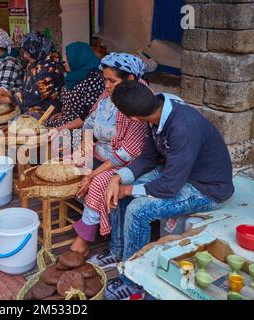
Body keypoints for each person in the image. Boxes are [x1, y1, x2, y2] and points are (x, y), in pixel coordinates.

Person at [100, 80, 234, 264]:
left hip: (207, 189)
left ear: (134, 119)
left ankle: (131, 276)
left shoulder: (182, 127)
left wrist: (129, 190)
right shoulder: (157, 110)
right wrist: (117, 178)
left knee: (138, 210)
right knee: (117, 188)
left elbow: (170, 187)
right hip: (180, 175)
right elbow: (148, 158)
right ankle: (117, 252)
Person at [67, 53, 150, 258]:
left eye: (112, 80)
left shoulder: (139, 101)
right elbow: (88, 122)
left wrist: (93, 174)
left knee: (96, 184)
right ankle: (90, 217)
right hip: (101, 153)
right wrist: (84, 146)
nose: (106, 85)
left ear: (130, 79)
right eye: (105, 79)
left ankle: (84, 239)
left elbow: (128, 152)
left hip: (125, 163)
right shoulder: (107, 96)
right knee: (68, 163)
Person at [0, 31, 65, 117]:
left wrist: (8, 99)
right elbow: (26, 88)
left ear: (36, 49)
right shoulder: (33, 63)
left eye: (27, 52)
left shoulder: (51, 68)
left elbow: (36, 94)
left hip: (47, 112)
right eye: (24, 52)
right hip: (29, 109)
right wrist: (9, 92)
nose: (25, 56)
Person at [45, 42, 104, 130]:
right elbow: (73, 105)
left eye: (68, 56)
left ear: (80, 58)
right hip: (66, 122)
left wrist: (59, 129)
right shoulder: (73, 76)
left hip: (79, 129)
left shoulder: (94, 79)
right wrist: (62, 113)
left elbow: (88, 116)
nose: (64, 60)